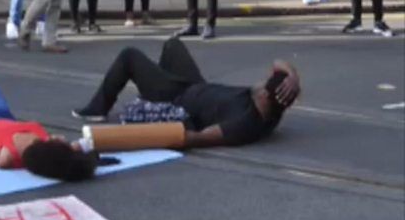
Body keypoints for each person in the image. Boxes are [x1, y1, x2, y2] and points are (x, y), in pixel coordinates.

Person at [72, 38, 301, 147]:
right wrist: (293, 77)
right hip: (195, 85)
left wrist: (151, 132)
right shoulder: (276, 104)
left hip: (176, 99)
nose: (260, 82)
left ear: (263, 96)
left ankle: (98, 108)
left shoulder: (244, 124)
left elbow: (199, 137)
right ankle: (154, 82)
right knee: (173, 45)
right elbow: (278, 62)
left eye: (263, 84)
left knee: (129, 56)